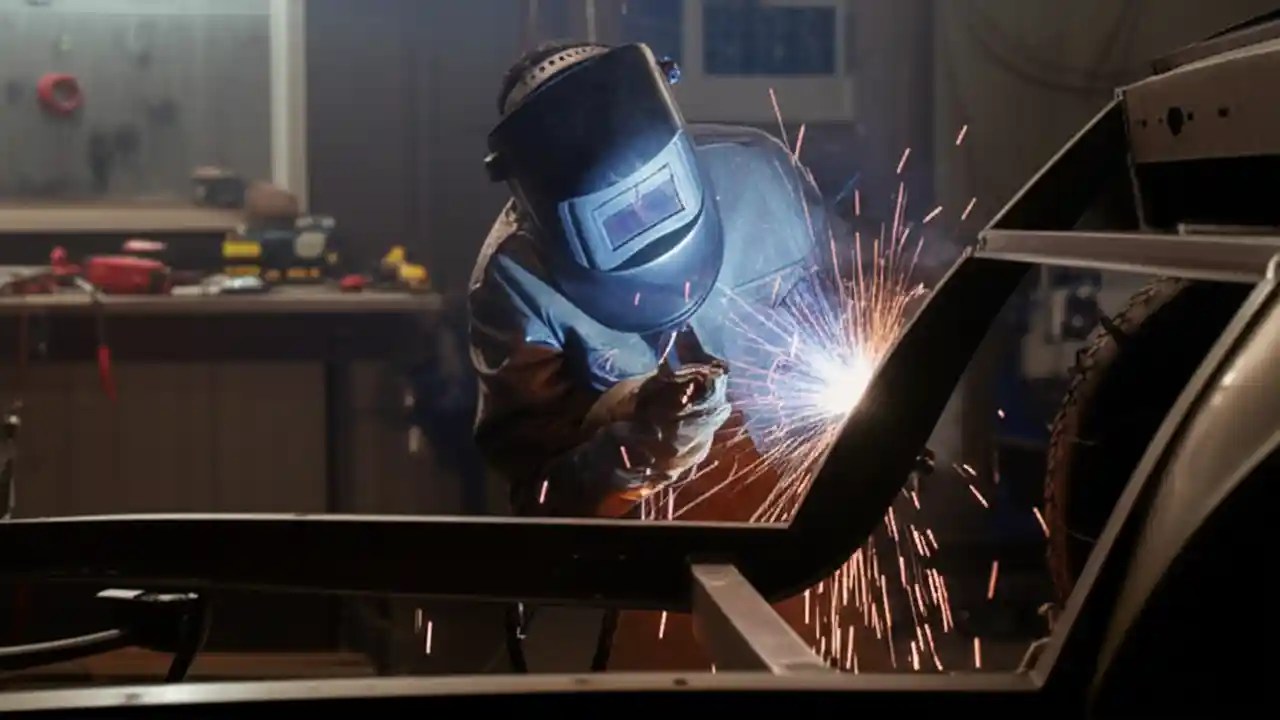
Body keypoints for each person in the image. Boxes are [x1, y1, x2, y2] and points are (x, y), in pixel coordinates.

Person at [469, 40, 839, 520]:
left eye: (654, 196)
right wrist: (639, 451)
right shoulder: (516, 284)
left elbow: (851, 308)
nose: (643, 217)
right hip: (657, 556)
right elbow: (541, 497)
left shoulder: (759, 173)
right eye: (619, 216)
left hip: (815, 521)